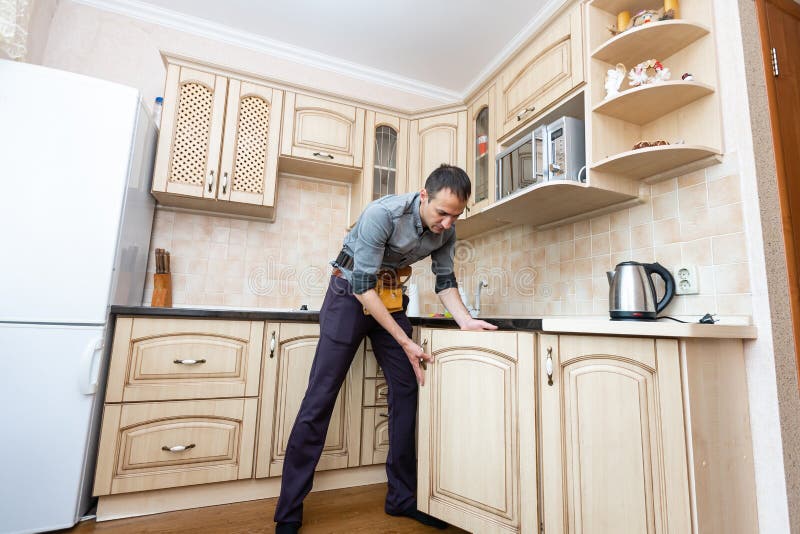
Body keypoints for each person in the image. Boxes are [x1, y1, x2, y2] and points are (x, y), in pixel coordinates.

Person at [274, 164, 497, 533]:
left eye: (456, 215)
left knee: (408, 388)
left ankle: (402, 499)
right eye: (442, 212)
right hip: (349, 294)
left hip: (391, 297)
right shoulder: (384, 213)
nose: (447, 223)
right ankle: (288, 511)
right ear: (424, 196)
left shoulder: (447, 230)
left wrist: (466, 320)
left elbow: (445, 280)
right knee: (320, 397)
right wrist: (406, 340)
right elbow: (362, 286)